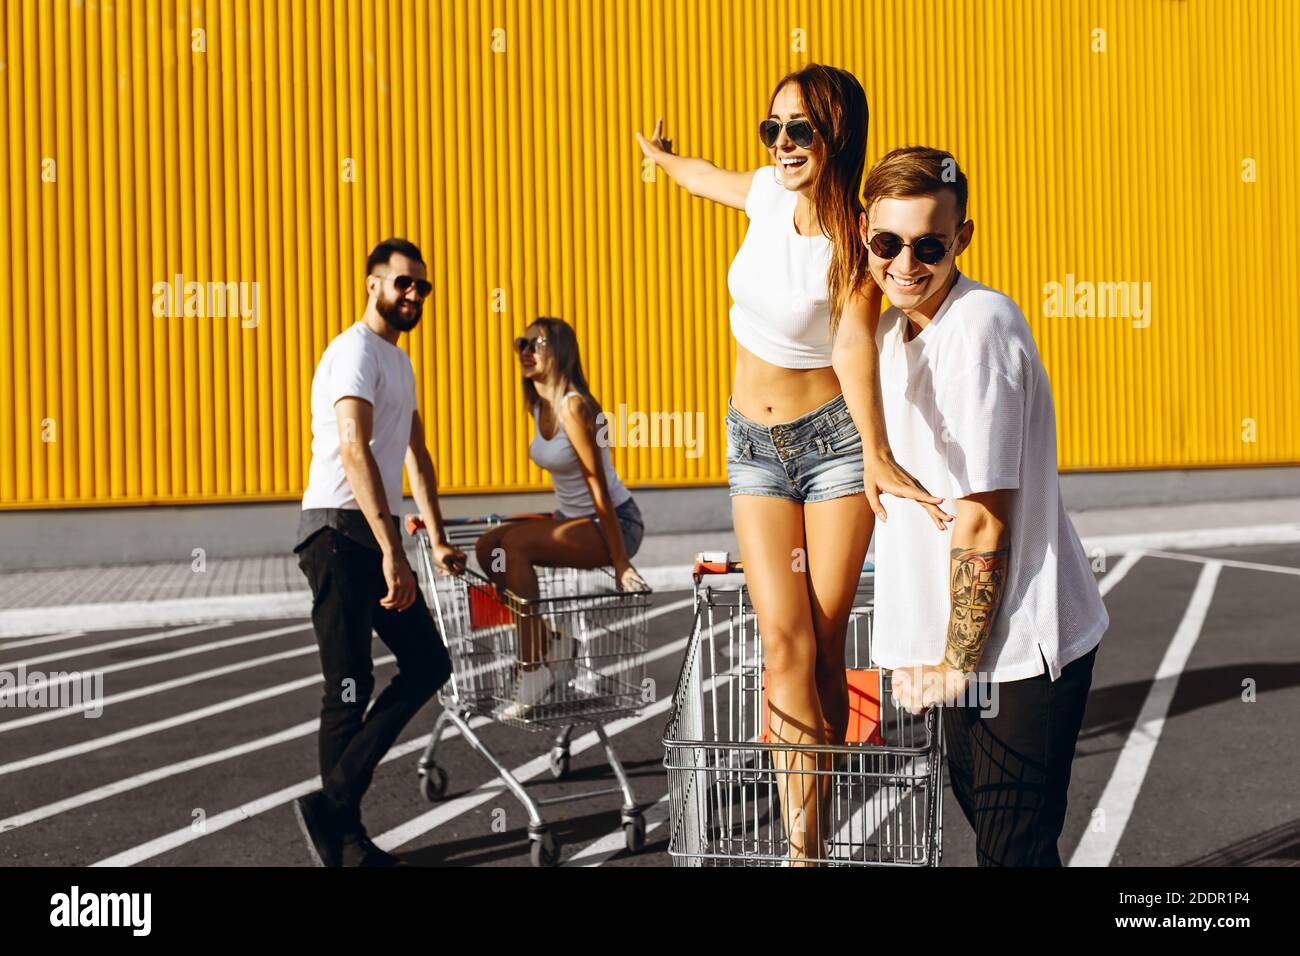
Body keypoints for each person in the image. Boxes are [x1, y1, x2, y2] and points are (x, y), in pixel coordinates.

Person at [636, 64, 952, 863]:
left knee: (821, 635)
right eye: (771, 128)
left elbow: (852, 345)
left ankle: (816, 777)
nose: (781, 144)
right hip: (753, 444)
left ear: (835, 135)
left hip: (833, 449)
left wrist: (877, 455)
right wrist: (667, 162)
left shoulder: (857, 233)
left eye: (799, 130)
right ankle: (804, 850)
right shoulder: (768, 195)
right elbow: (708, 179)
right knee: (783, 644)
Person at [861, 146, 1109, 866]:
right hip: (961, 655)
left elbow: (983, 518)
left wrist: (952, 667)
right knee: (1010, 849)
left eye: (929, 245)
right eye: (886, 243)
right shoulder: (888, 328)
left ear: (962, 238)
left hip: (1017, 653)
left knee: (1012, 854)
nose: (905, 262)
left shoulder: (979, 332)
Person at [291, 237, 465, 867]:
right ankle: (345, 836)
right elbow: (353, 448)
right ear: (372, 285)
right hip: (337, 532)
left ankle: (334, 807)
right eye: (403, 284)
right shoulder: (354, 351)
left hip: (371, 530)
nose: (414, 295)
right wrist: (392, 548)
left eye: (423, 286)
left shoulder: (401, 361)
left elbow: (415, 455)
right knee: (348, 685)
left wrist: (437, 536)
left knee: (427, 662)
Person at [475, 316, 649, 720]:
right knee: (488, 547)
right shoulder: (539, 405)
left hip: (614, 524)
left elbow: (598, 488)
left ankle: (533, 667)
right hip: (572, 520)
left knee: (515, 546)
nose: (526, 351)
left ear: (561, 354)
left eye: (537, 344)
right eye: (522, 343)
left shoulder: (573, 407)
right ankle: (553, 644)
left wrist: (621, 563)